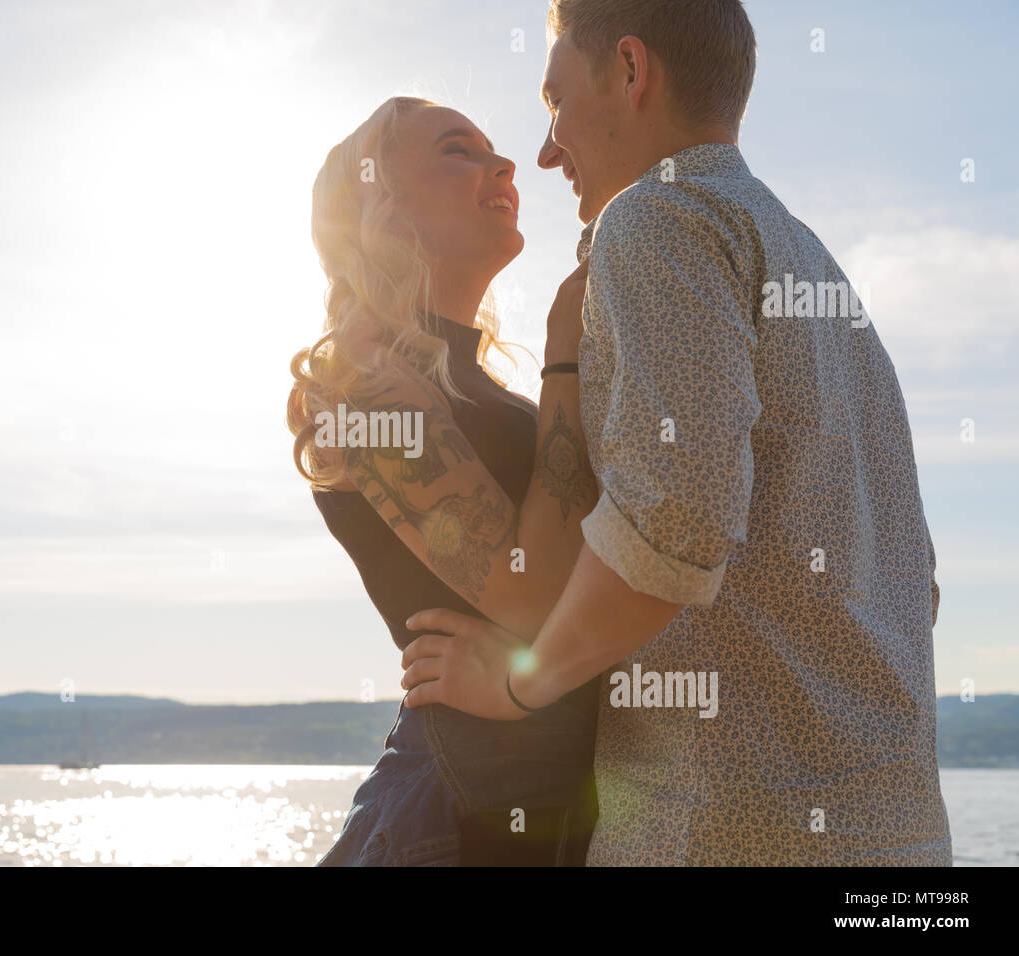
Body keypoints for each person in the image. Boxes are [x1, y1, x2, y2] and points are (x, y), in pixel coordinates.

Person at [401, 0, 952, 866]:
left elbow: (679, 520)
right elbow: (915, 579)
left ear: (630, 70)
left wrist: (521, 682)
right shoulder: (816, 269)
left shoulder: (652, 219)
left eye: (555, 102)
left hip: (723, 834)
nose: (545, 150)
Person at [287, 96, 600, 866]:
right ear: (383, 211)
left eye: (495, 150)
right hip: (461, 811)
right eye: (458, 151)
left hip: (551, 798)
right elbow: (533, 596)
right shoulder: (361, 388)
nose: (503, 166)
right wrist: (566, 355)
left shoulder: (486, 391)